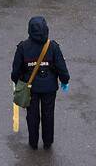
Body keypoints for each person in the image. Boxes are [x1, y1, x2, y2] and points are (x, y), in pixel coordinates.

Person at [11, 16, 70, 150]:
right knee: (48, 114)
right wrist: (65, 81)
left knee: (32, 116)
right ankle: (47, 142)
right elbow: (61, 67)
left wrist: (19, 82)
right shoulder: (53, 46)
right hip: (49, 88)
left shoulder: (23, 47)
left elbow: (15, 71)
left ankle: (33, 142)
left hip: (31, 88)